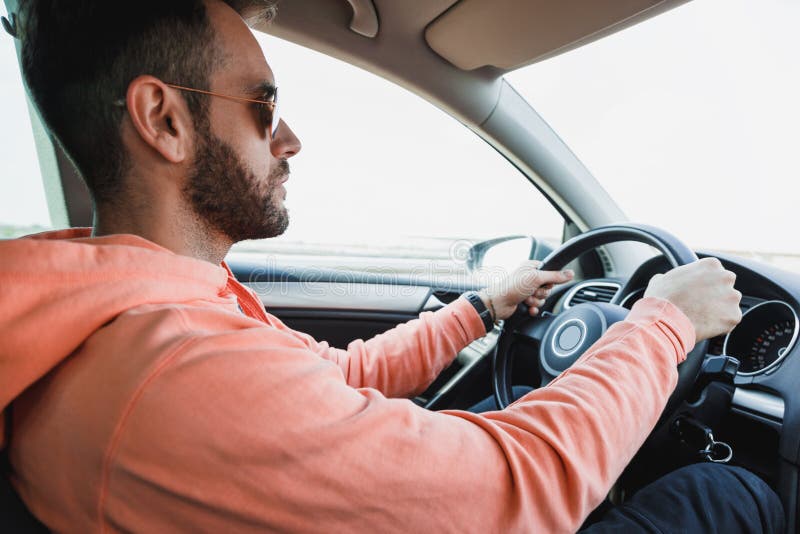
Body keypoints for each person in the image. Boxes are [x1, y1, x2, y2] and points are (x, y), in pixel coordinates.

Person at [0, 1, 784, 532]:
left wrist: (482, 310)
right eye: (262, 109)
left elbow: (340, 377)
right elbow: (517, 489)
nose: (290, 140)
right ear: (164, 120)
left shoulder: (135, 310)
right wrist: (664, 323)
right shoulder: (178, 370)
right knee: (730, 493)